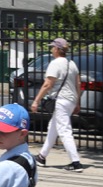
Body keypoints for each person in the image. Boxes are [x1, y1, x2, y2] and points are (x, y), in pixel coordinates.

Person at [29, 37, 83, 172]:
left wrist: (36, 100)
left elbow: (48, 84)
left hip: (61, 100)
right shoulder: (72, 64)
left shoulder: (55, 64)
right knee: (53, 127)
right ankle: (42, 157)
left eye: (53, 47)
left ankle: (76, 162)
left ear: (58, 49)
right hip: (70, 100)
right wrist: (77, 103)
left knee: (64, 130)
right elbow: (78, 84)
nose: (52, 49)